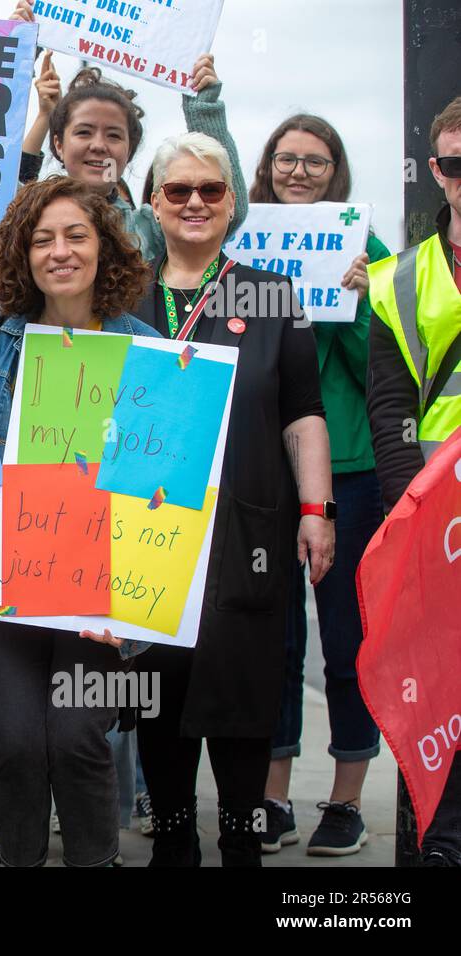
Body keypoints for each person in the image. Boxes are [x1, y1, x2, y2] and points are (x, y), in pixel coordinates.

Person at [123, 132, 332, 866]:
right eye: (177, 190)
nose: (194, 203)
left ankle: (242, 838)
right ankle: (173, 837)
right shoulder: (125, 293)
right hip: (148, 531)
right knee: (160, 682)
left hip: (249, 526)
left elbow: (303, 411)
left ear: (231, 201)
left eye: (210, 190)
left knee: (244, 683)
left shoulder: (269, 293)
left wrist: (317, 511)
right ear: (153, 203)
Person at [0, 176, 160, 867]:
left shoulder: (150, 352)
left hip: (102, 591)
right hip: (2, 581)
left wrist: (139, 602)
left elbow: (169, 488)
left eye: (75, 235)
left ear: (105, 248)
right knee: (11, 742)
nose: (59, 252)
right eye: (41, 240)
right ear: (22, 255)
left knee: (76, 739)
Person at [249, 115, 390, 856]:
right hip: (268, 471)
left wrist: (356, 303)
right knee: (274, 639)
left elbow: (386, 373)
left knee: (347, 638)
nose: (299, 171)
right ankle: (273, 797)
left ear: (335, 171)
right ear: (267, 167)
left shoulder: (370, 252)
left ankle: (345, 798)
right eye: (286, 158)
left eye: (315, 160)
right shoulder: (245, 250)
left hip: (354, 471)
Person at [366, 95, 461, 867]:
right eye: (458, 165)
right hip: (437, 521)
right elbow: (391, 407)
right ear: (437, 172)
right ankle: (441, 844)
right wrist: (415, 512)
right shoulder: (396, 281)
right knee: (436, 684)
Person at [11, 1, 246, 263]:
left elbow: (227, 211)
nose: (99, 145)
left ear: (129, 151)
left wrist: (202, 105)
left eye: (113, 135)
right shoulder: (28, 217)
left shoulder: (150, 231)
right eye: (84, 132)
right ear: (58, 145)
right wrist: (14, 60)